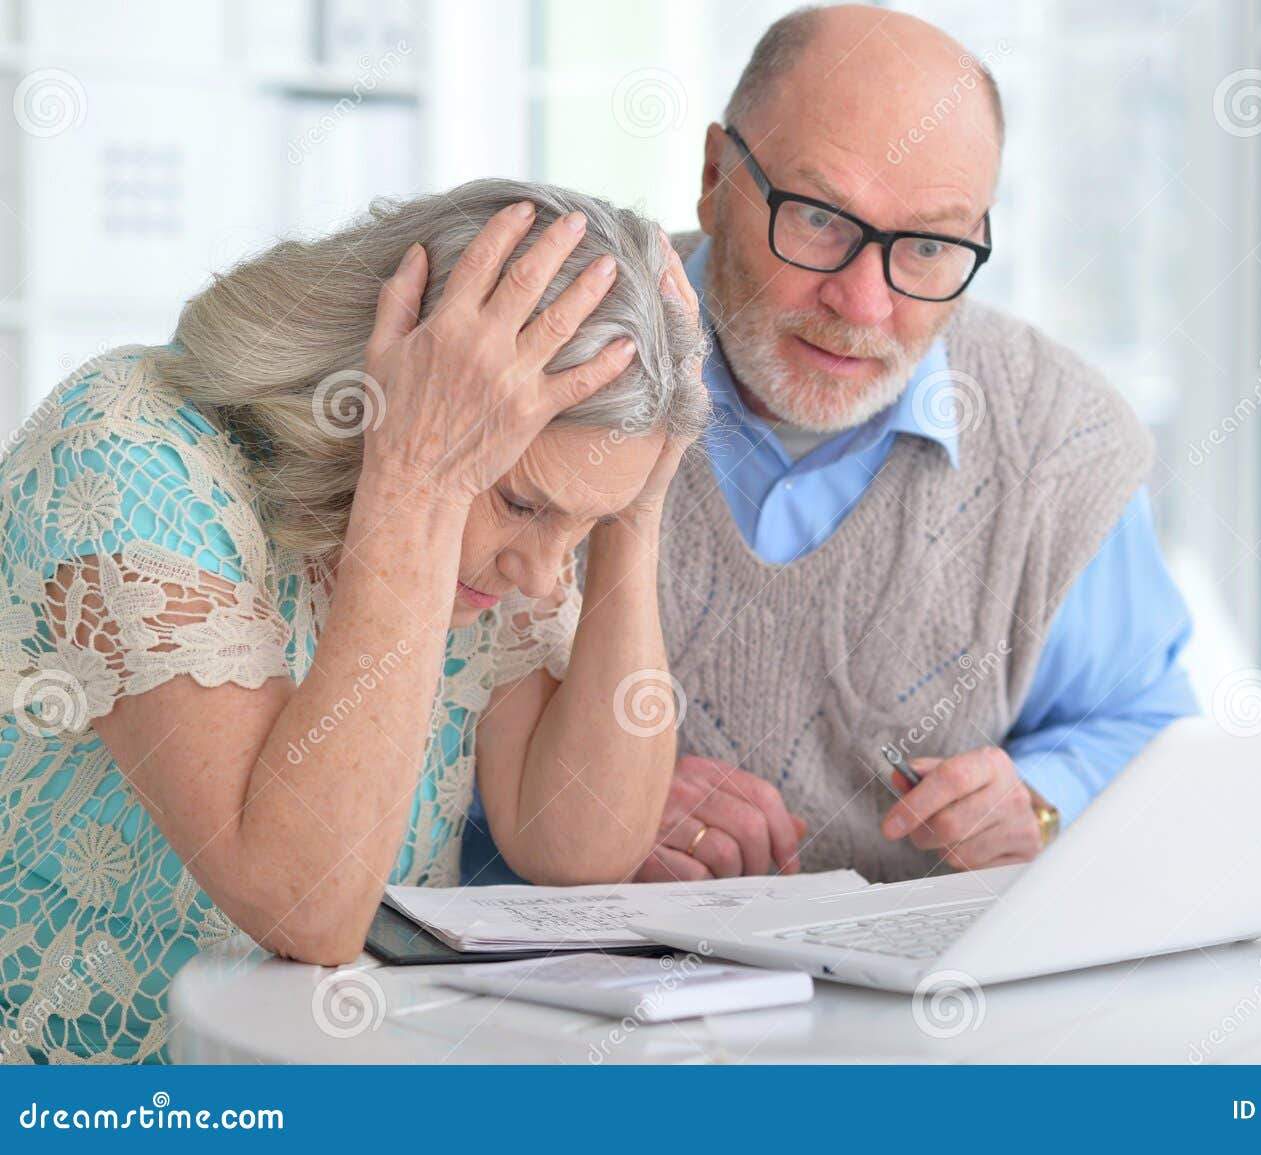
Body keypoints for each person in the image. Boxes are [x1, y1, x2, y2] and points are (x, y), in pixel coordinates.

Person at [460, 3, 1197, 887]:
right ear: (714, 174)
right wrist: (582, 806)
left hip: (916, 1009)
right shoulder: (537, 359)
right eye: (818, 218)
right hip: (553, 1000)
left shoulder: (1059, 439)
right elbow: (388, 710)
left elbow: (1151, 726)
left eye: (928, 245)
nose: (862, 303)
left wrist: (1042, 799)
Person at [0, 179, 708, 1063]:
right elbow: (309, 910)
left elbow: (578, 841)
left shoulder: (494, 554)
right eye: (525, 503)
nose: (544, 573)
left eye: (582, 524)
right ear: (400, 393)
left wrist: (637, 509)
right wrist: (416, 482)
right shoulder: (127, 452)